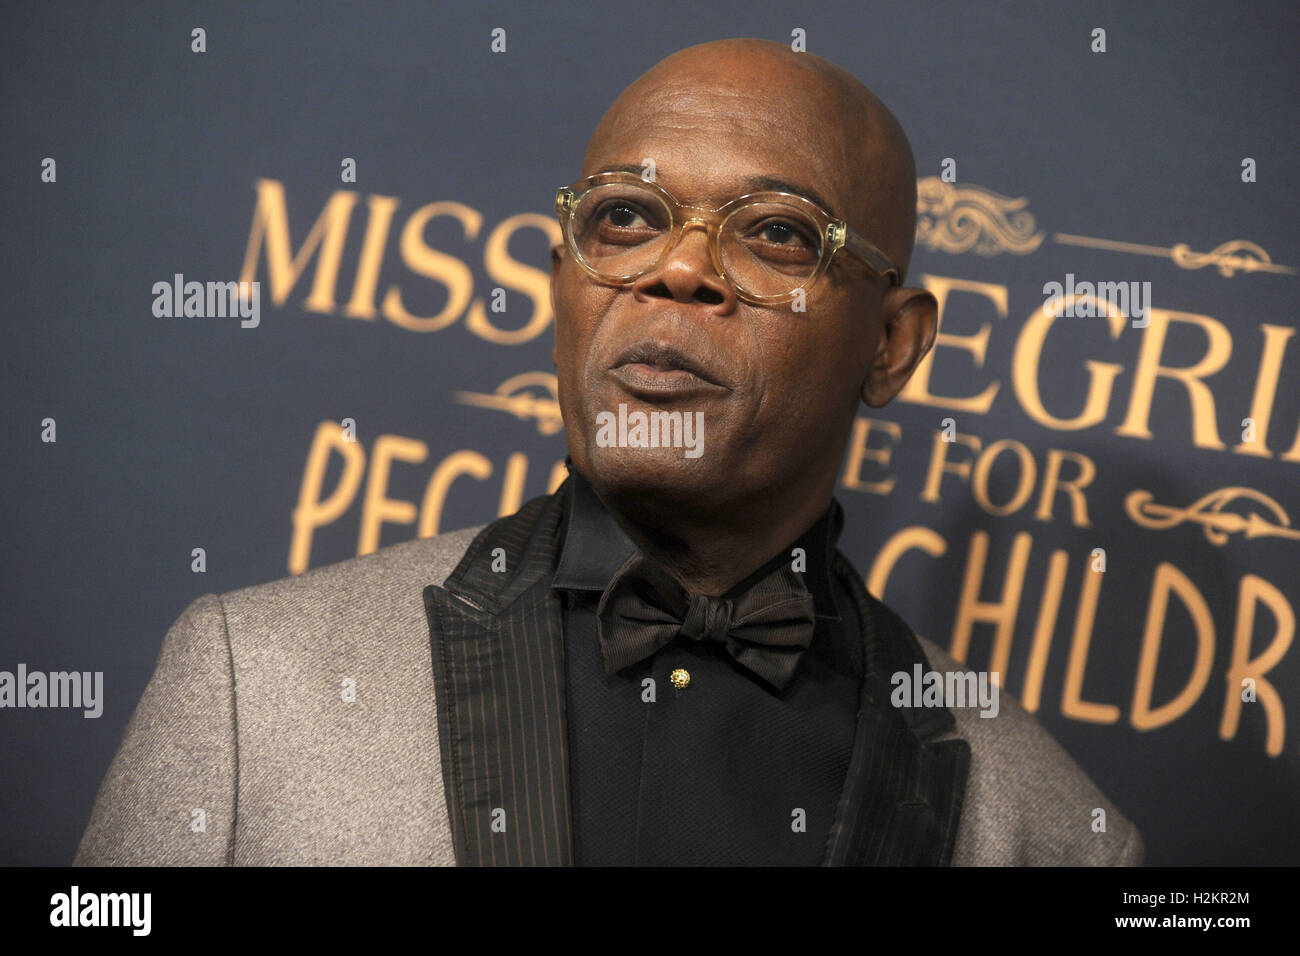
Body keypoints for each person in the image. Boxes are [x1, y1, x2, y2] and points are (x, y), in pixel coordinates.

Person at [76, 38, 1142, 866]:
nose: (678, 269)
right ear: (562, 287)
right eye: (626, 217)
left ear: (892, 345)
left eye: (775, 231)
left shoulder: (1048, 830)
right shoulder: (251, 683)